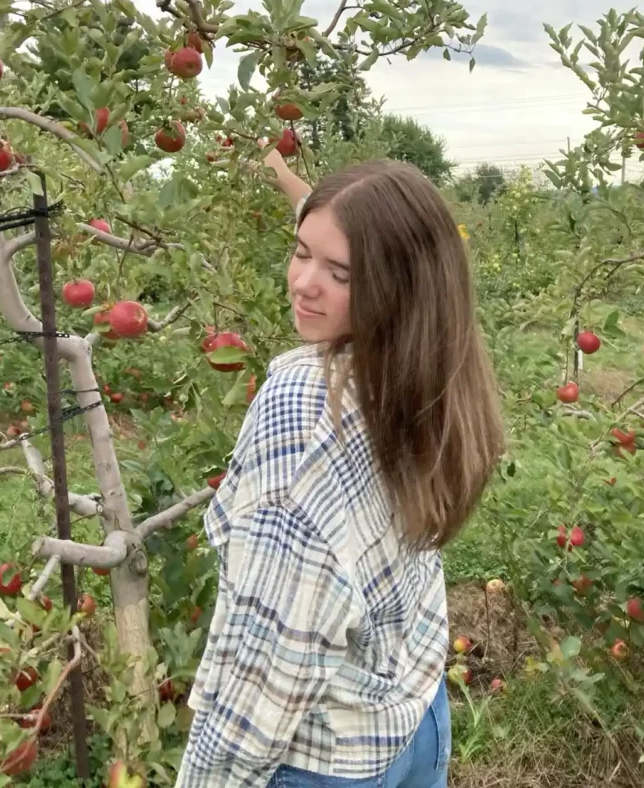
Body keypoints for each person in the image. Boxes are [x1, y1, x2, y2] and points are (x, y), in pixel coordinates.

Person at [176, 146, 504, 788]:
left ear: (392, 285)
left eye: (339, 273)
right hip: (413, 714)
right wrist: (278, 169)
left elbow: (269, 655)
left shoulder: (303, 412)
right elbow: (365, 238)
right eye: (301, 252)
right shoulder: (430, 371)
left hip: (322, 759)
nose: (303, 282)